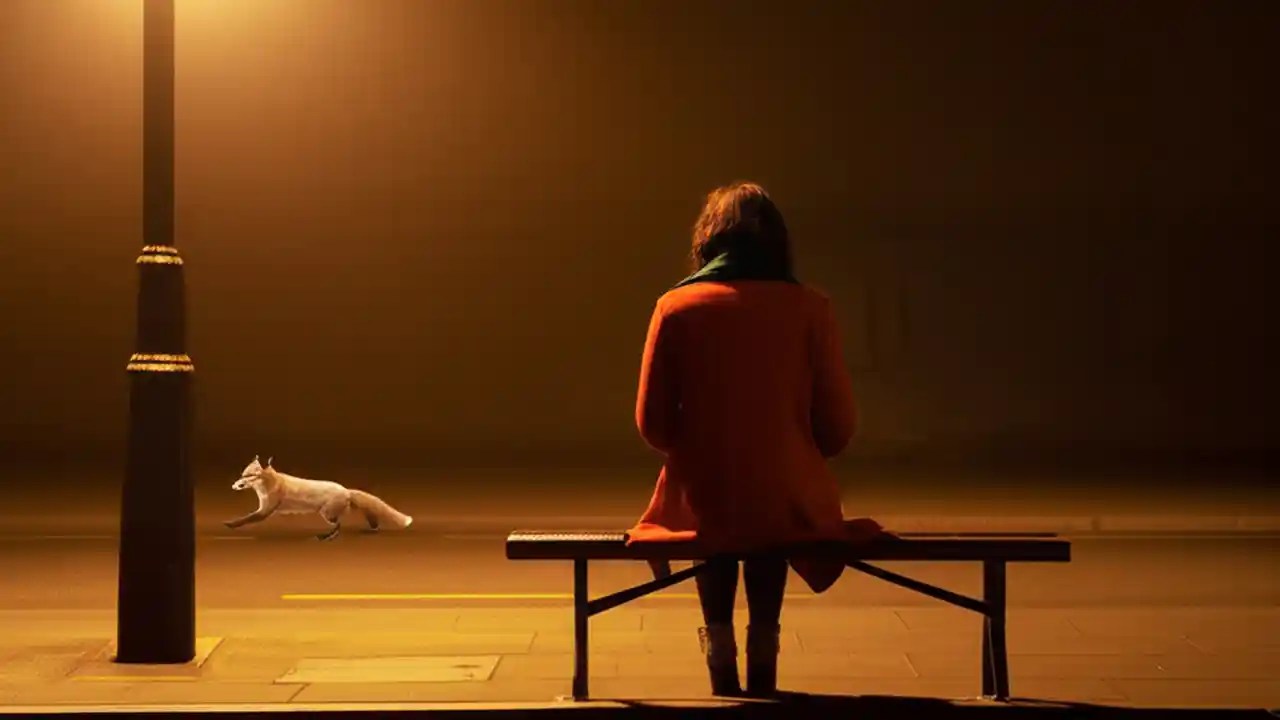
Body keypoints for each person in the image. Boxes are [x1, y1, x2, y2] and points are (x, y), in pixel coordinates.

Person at [626, 181, 865, 698]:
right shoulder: (811, 309)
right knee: (773, 500)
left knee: (710, 505)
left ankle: (718, 645)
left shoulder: (675, 307)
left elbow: (654, 426)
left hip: (705, 499)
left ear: (708, 240)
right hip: (784, 499)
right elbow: (838, 428)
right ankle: (764, 643)